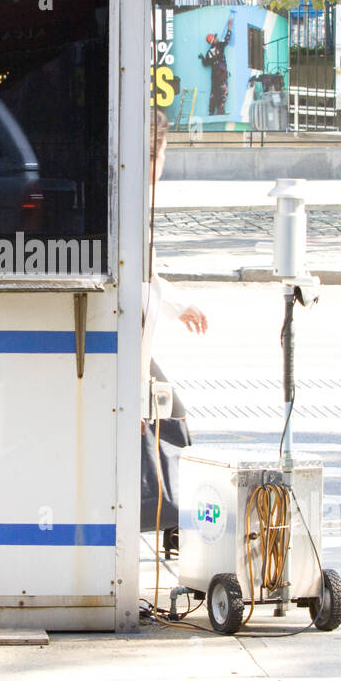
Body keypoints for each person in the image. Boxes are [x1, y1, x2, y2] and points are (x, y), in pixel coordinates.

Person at [142, 110, 208, 557]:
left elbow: (146, 275)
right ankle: (165, 515)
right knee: (171, 425)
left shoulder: (136, 198)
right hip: (131, 347)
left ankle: (171, 521)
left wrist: (177, 305)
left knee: (173, 421)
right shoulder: (134, 199)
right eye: (164, 150)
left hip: (137, 344)